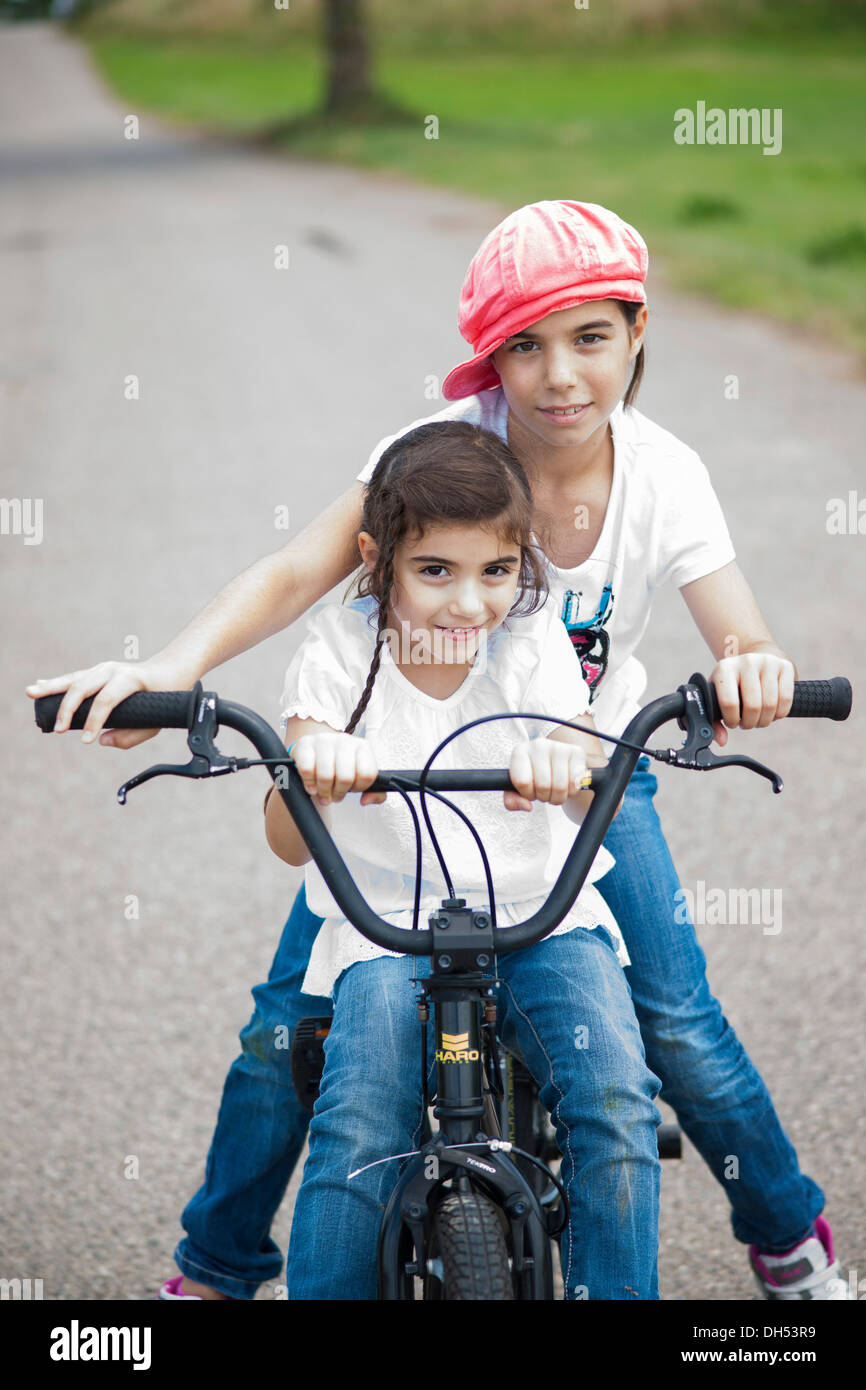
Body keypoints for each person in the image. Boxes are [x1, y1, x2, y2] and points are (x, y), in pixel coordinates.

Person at [26, 199, 852, 1302]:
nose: (559, 375)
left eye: (589, 338)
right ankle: (216, 1267)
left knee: (668, 1026)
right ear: (489, 359)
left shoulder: (664, 477)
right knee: (289, 1036)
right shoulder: (437, 461)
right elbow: (292, 574)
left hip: (575, 766)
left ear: (637, 332)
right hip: (392, 772)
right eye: (524, 344)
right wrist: (169, 668)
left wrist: (750, 664)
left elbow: (736, 628)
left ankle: (786, 1233)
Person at [264, 419, 660, 1299]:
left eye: (496, 572)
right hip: (386, 933)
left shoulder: (530, 644)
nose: (469, 605)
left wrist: (568, 766)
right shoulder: (339, 654)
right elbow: (285, 838)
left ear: (523, 564)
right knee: (359, 1122)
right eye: (433, 571)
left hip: (539, 919)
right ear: (377, 559)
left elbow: (591, 780)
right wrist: (316, 772)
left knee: (617, 1103)